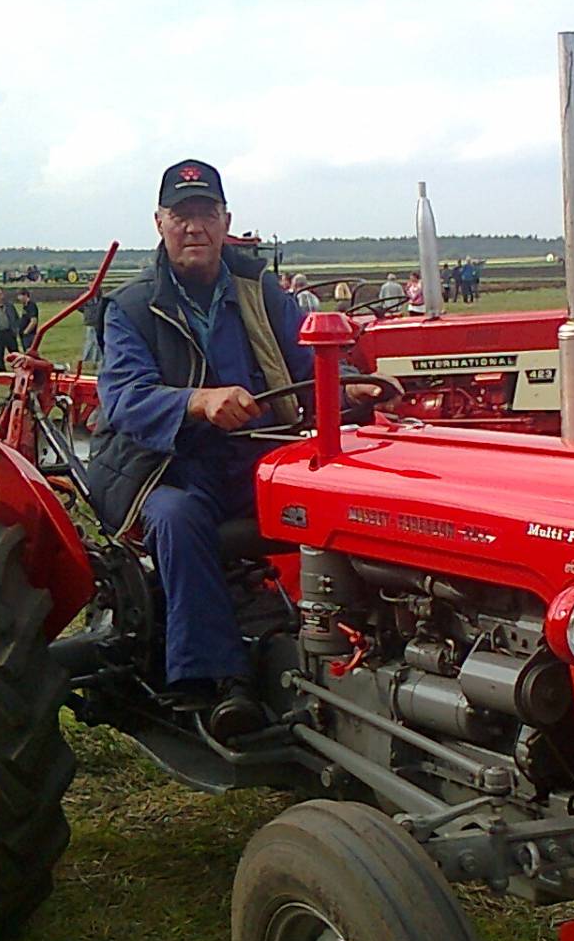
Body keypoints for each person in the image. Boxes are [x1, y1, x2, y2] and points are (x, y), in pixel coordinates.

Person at [85, 159, 375, 739]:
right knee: (177, 517)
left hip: (254, 456)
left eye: (206, 214)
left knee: (345, 494)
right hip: (164, 466)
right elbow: (124, 399)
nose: (194, 228)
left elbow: (305, 362)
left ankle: (355, 649)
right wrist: (197, 402)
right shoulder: (132, 307)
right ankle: (218, 680)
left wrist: (349, 385)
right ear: (160, 223)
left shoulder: (260, 292)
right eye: (181, 215)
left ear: (226, 222)